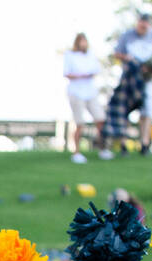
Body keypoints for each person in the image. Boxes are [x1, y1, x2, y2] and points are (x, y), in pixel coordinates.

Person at [104, 13, 152, 158]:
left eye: (145, 26)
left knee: (147, 112)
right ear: (137, 23)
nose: (143, 28)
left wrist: (149, 66)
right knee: (124, 110)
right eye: (141, 25)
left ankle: (144, 143)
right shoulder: (127, 35)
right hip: (129, 79)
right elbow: (117, 53)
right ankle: (124, 144)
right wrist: (128, 58)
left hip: (147, 80)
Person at [65, 33, 105, 163]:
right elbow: (67, 73)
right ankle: (76, 152)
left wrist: (89, 75)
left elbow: (96, 70)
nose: (83, 43)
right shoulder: (70, 55)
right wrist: (80, 75)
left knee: (100, 120)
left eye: (85, 41)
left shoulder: (91, 55)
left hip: (90, 92)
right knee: (79, 123)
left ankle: (102, 149)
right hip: (76, 92)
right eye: (81, 41)